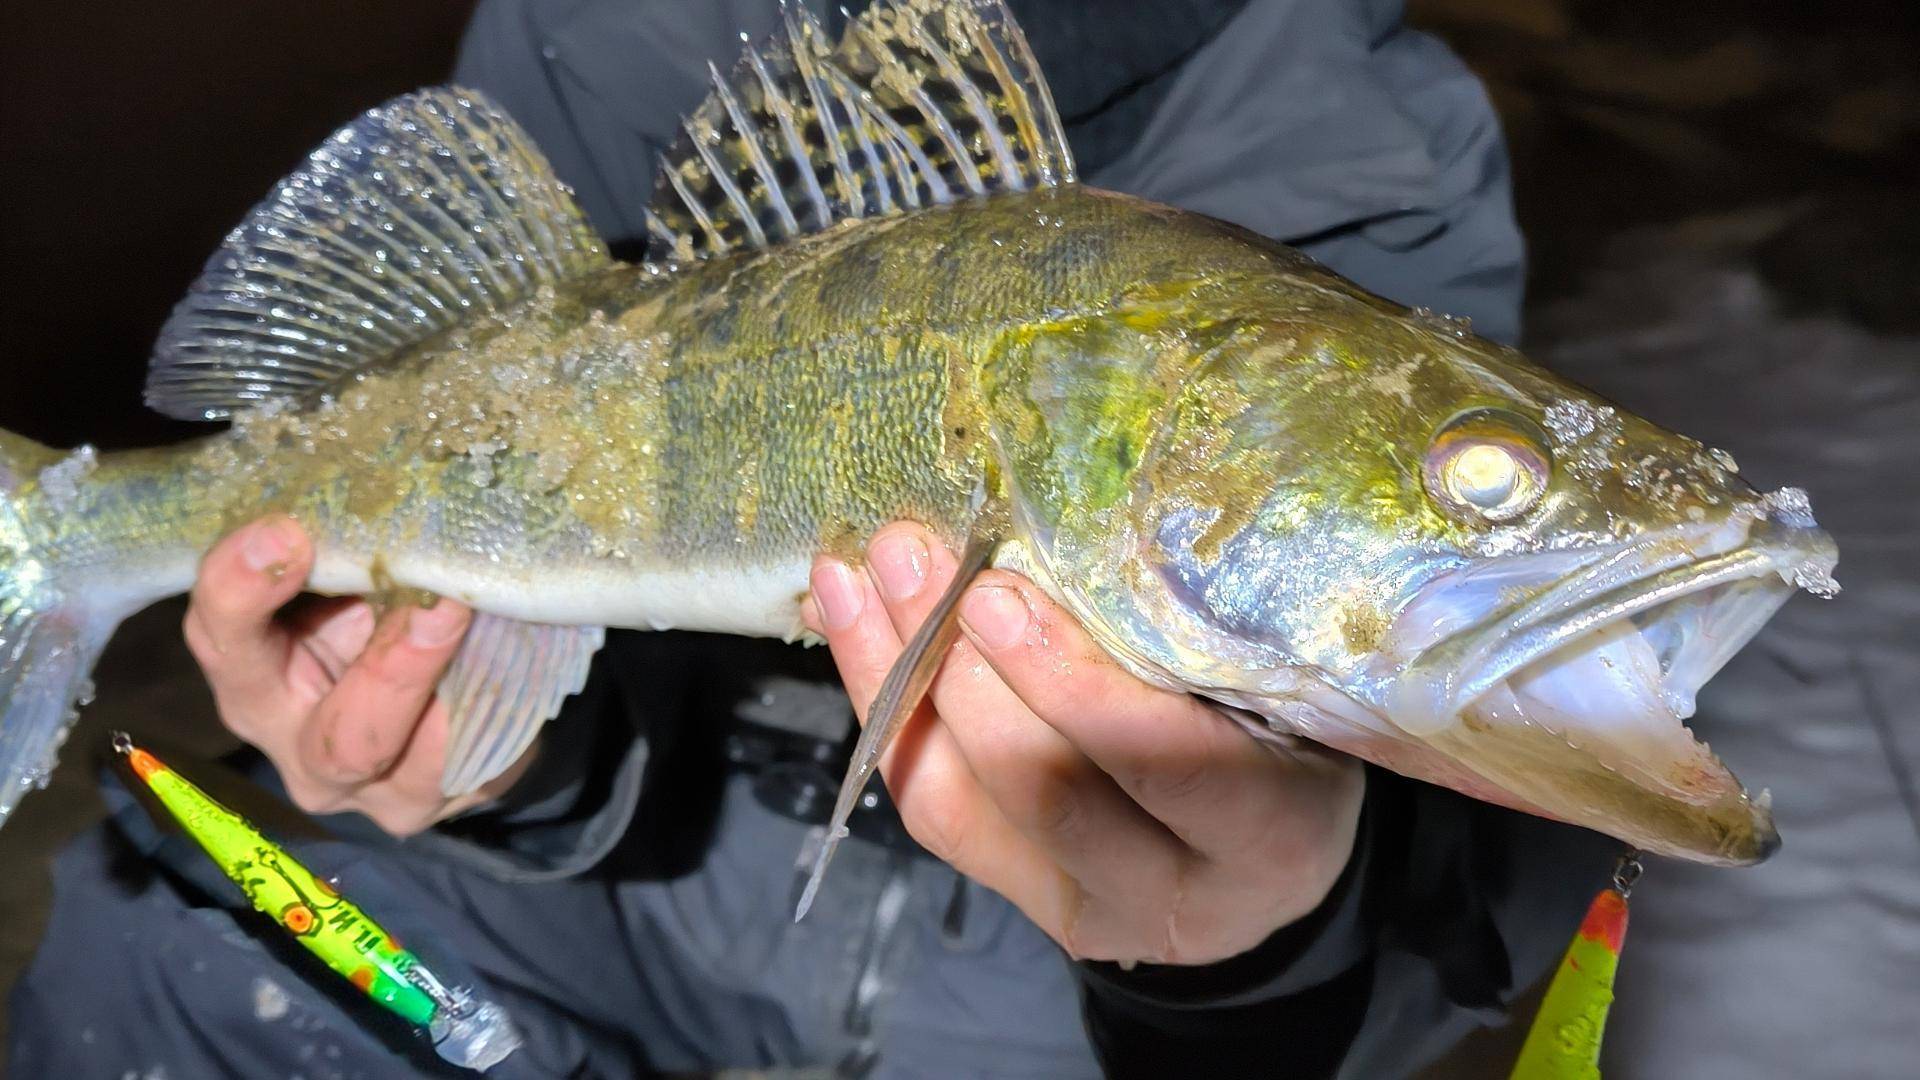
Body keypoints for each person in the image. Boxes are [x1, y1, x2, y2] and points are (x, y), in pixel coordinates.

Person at [9, 1, 1617, 1077]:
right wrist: (501, 757)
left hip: (1045, 999)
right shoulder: (597, 29)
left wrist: (1266, 952)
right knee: (165, 942)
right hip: (651, 876)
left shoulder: (1374, 158)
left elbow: (1467, 839)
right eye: (1488, 478)